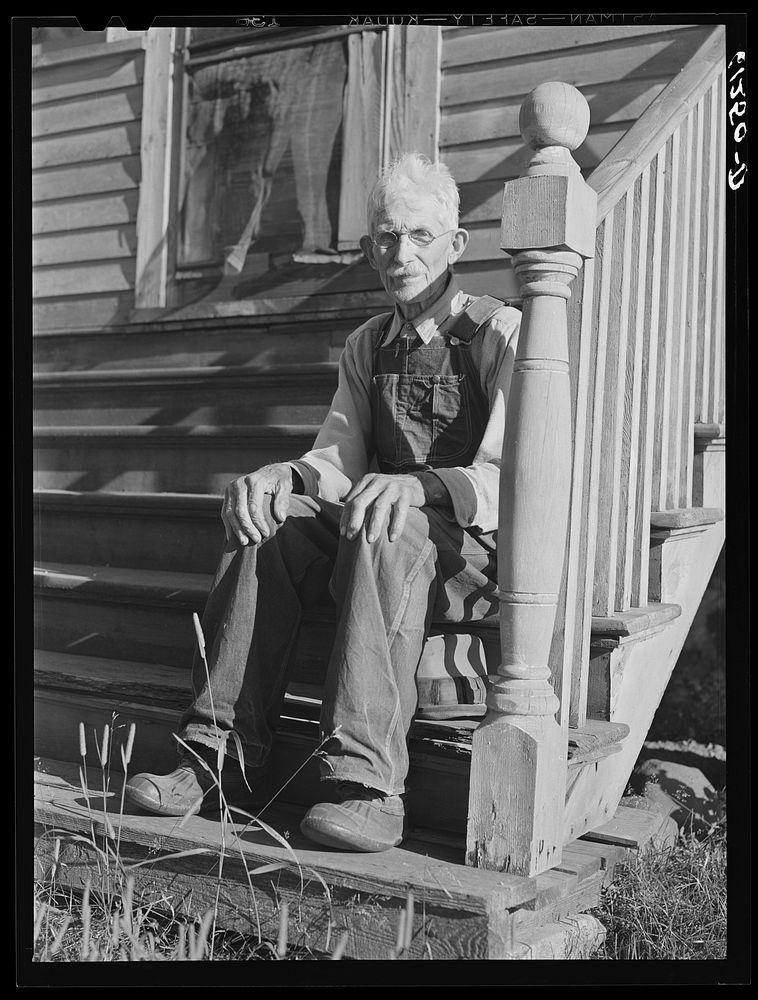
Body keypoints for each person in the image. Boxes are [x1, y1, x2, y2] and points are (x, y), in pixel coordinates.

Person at [125, 152, 521, 853]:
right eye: (387, 237)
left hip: (470, 555)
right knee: (268, 523)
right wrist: (283, 475)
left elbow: (507, 476)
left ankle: (367, 786)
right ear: (370, 249)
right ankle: (218, 759)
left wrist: (422, 486)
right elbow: (339, 461)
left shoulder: (499, 333)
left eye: (420, 236)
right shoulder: (368, 344)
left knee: (387, 524)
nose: (402, 254)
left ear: (457, 244)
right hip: (378, 537)